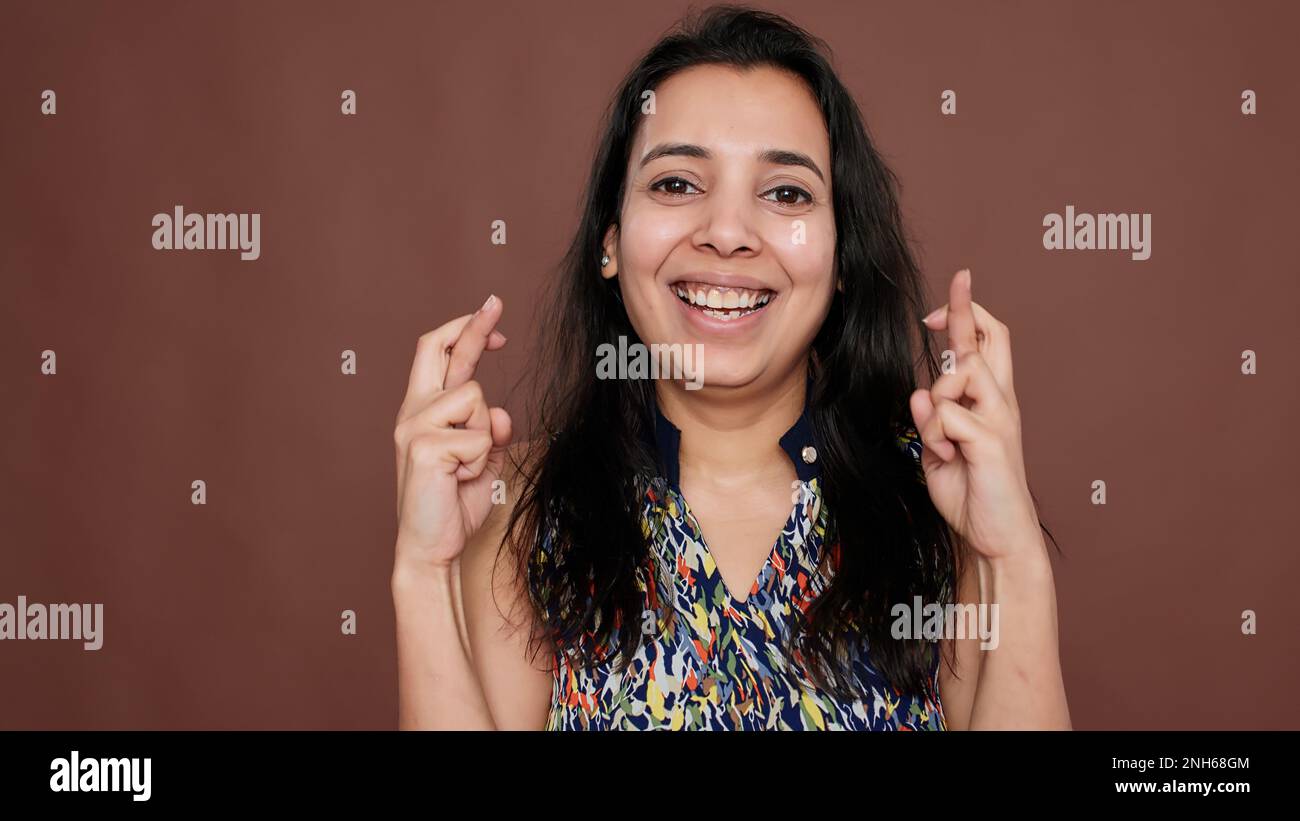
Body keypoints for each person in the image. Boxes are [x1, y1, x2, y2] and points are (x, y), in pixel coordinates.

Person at [391, 5, 1070, 730]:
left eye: (786, 193)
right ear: (610, 242)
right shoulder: (520, 512)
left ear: (841, 260)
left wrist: (1014, 553)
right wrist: (422, 570)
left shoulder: (940, 505)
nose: (726, 232)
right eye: (678, 183)